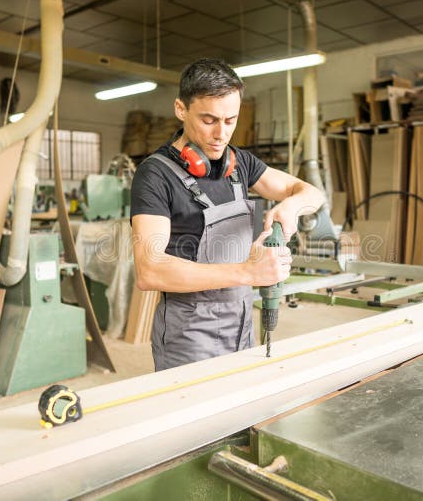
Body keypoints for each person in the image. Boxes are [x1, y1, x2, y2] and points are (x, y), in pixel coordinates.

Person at [130, 58, 325, 371]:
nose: (221, 133)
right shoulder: (155, 175)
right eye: (209, 120)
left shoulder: (240, 164)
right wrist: (249, 272)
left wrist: (291, 206)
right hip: (189, 335)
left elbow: (312, 193)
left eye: (231, 120)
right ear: (181, 109)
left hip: (242, 323)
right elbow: (149, 270)